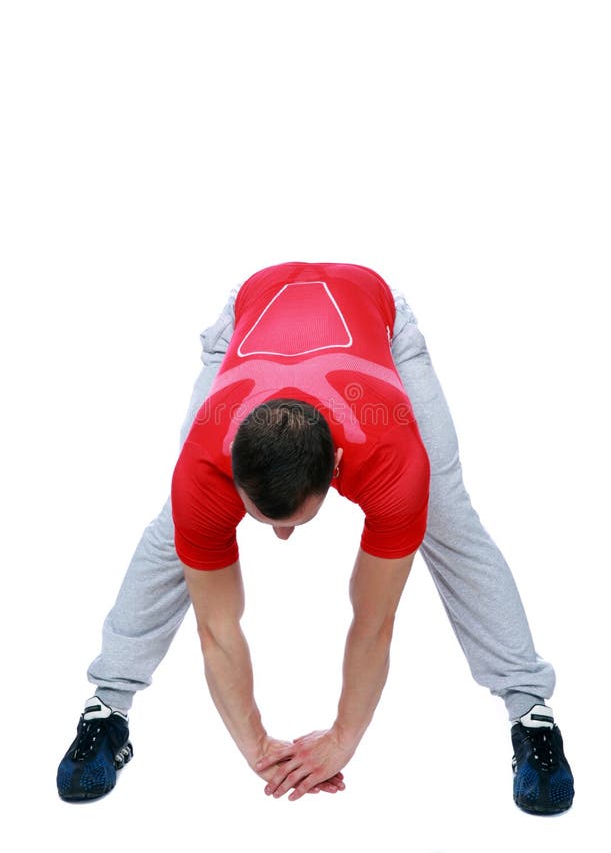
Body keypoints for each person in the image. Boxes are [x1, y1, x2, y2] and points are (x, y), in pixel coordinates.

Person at [56, 261, 574, 815]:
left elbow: (374, 622)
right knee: (174, 532)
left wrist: (342, 739)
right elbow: (216, 628)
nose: (281, 538)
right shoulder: (205, 465)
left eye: (294, 522)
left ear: (337, 470)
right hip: (250, 311)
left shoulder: (389, 458)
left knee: (445, 515)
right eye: (263, 517)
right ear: (233, 470)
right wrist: (254, 744)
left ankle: (530, 709)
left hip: (377, 315)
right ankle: (107, 707)